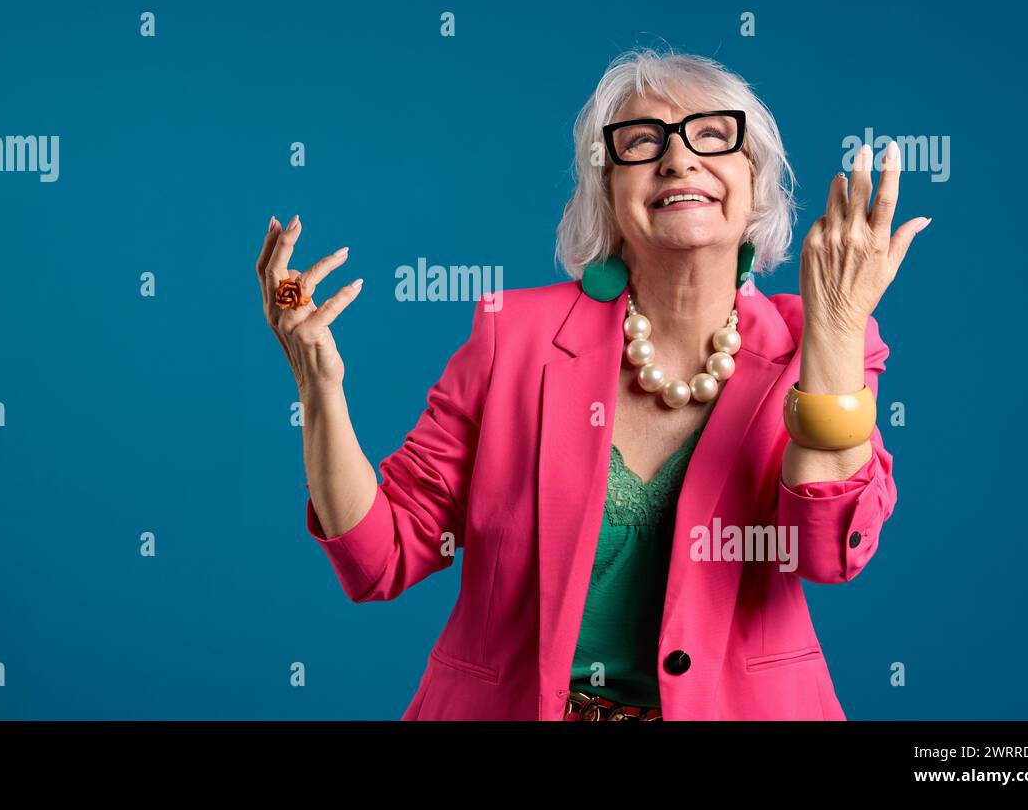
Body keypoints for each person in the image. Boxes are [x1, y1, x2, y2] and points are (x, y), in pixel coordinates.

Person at [255, 47, 928, 720]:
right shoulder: (511, 336)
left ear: (756, 183)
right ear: (606, 191)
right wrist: (319, 384)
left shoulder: (816, 350)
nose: (680, 159)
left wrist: (836, 327)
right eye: (641, 143)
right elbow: (380, 558)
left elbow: (827, 548)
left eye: (714, 135)